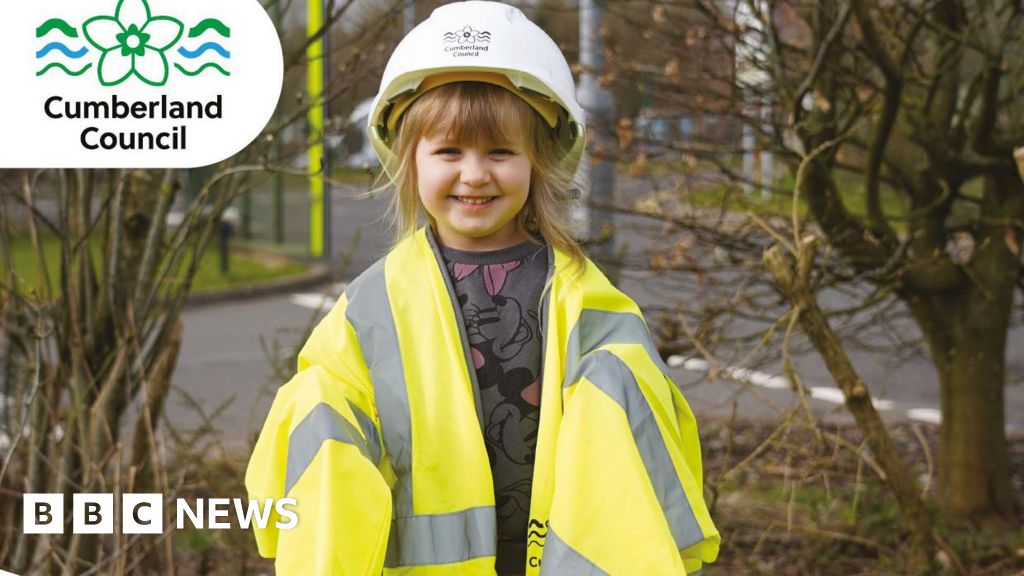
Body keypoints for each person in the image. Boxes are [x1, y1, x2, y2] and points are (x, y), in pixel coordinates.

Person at [245, 2, 719, 574]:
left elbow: (641, 439)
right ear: (410, 161)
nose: (474, 174)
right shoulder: (372, 310)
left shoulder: (582, 300)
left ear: (539, 160)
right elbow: (315, 435)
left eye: (500, 151)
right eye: (449, 151)